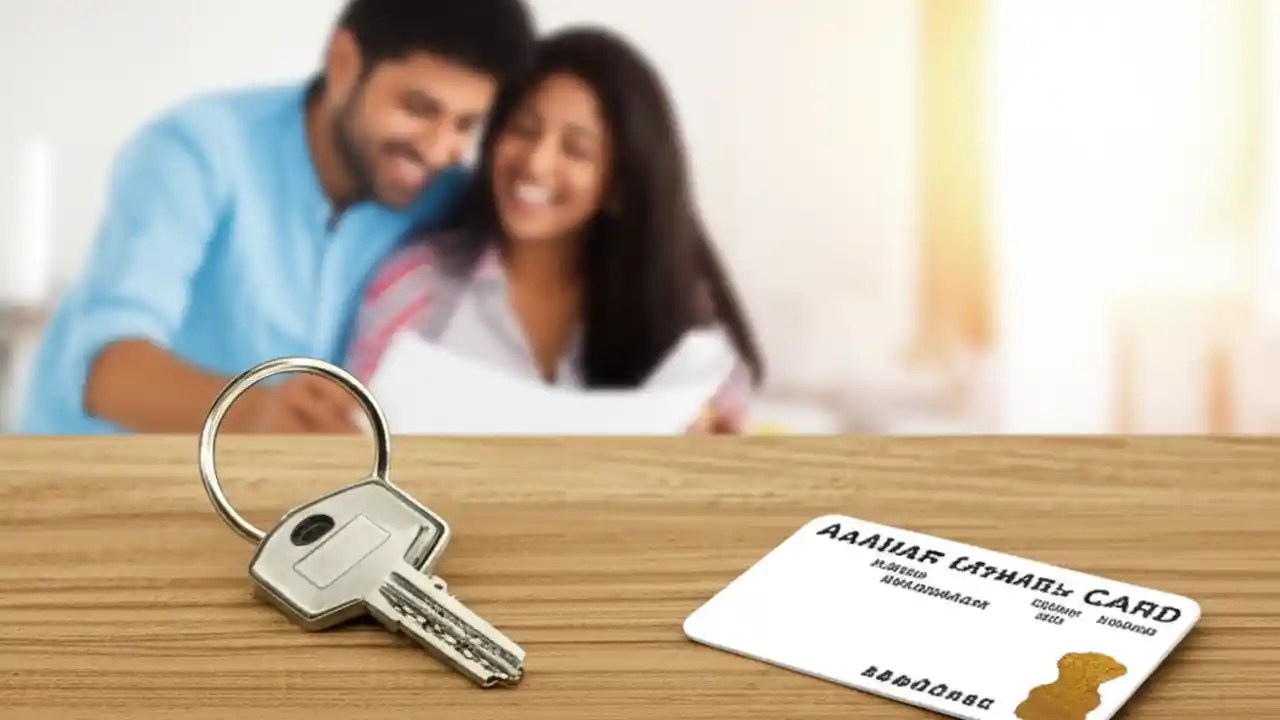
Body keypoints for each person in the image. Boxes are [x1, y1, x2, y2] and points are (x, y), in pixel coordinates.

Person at [18, 0, 536, 435]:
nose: (439, 148)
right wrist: (257, 411)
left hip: (271, 501)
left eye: (467, 124)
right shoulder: (197, 149)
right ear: (343, 63)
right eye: (418, 108)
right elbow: (108, 373)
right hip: (96, 484)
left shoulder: (442, 193)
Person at [345, 28, 765, 433]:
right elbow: (356, 430)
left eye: (576, 150)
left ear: (617, 184)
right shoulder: (418, 283)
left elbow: (726, 415)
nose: (537, 162)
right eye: (523, 130)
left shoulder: (670, 303)